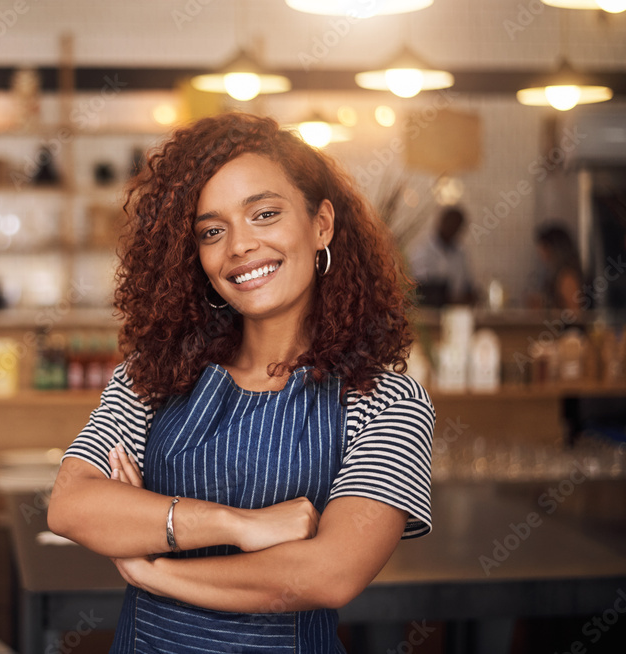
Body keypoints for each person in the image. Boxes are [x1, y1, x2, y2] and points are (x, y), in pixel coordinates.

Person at [47, 112, 435, 653]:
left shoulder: (385, 400)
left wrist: (156, 570)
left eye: (265, 214)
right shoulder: (154, 375)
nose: (239, 246)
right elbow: (71, 505)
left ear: (321, 224)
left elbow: (330, 573)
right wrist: (238, 526)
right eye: (212, 230)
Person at [407, 206, 476, 306]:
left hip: (456, 312)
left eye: (457, 226)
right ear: (441, 222)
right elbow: (421, 287)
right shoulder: (422, 251)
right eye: (450, 223)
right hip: (430, 313)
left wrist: (471, 295)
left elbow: (466, 285)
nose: (453, 228)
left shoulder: (461, 253)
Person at [527, 223, 584, 322]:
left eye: (543, 247)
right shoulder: (557, 274)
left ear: (553, 248)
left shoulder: (567, 277)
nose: (540, 252)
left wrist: (545, 309)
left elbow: (575, 314)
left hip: (570, 334)